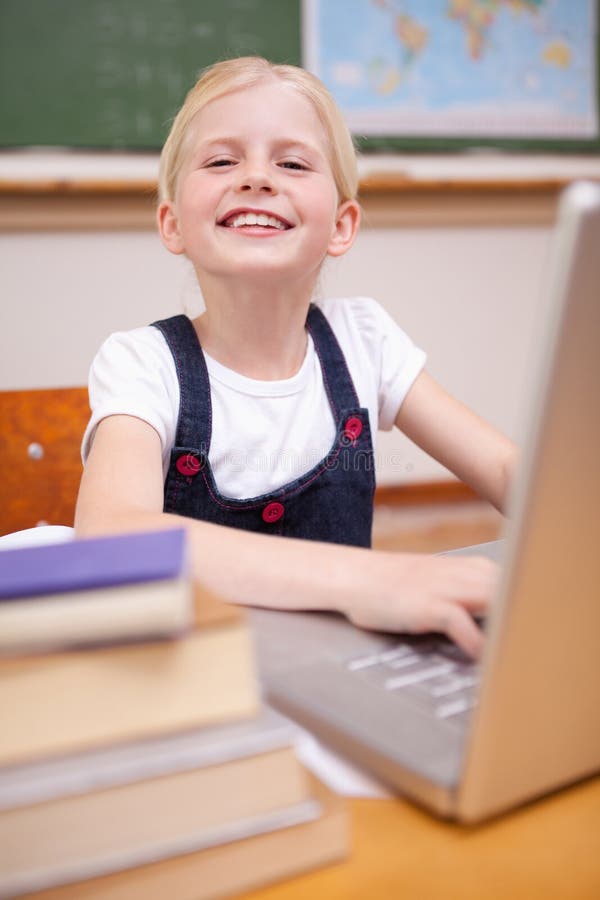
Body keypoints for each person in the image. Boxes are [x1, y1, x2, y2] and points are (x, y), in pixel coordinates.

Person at [75, 56, 516, 659]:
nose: (257, 178)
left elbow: (513, 476)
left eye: (292, 163)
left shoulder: (366, 339)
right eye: (222, 160)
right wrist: (372, 578)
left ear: (342, 224)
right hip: (201, 672)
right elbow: (111, 537)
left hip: (348, 665)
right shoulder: (142, 363)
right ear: (172, 222)